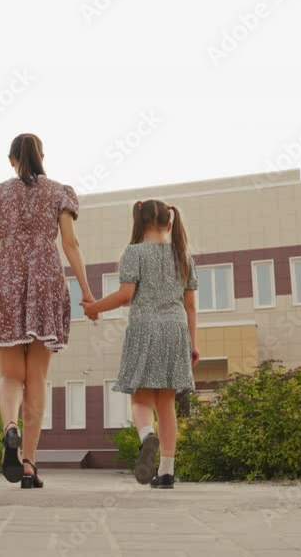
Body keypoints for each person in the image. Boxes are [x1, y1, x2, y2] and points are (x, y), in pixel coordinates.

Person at [0, 133, 94, 489]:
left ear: (11, 159)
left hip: (8, 279)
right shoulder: (60, 192)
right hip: (47, 277)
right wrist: (88, 293)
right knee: (37, 380)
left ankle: (9, 427)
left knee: (11, 375)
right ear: (42, 155)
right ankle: (29, 465)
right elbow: (71, 244)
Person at [82, 199, 199, 489]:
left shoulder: (133, 253)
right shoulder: (182, 256)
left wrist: (94, 306)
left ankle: (147, 435)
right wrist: (192, 344)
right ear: (169, 224)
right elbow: (192, 306)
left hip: (145, 328)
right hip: (176, 330)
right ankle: (167, 472)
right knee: (167, 404)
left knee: (141, 399)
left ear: (139, 222)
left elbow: (124, 295)